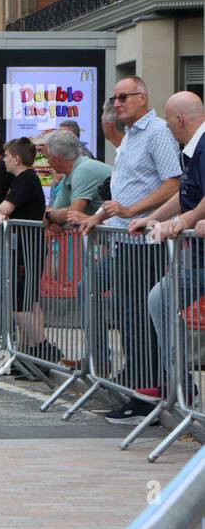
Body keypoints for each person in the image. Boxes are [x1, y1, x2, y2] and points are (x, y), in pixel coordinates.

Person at [76, 83, 180, 420]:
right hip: (125, 239)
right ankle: (143, 387)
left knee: (138, 316)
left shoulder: (157, 132)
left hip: (146, 242)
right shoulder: (132, 136)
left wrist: (135, 211)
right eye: (114, 98)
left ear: (143, 98)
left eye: (123, 97)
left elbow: (172, 184)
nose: (117, 103)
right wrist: (98, 216)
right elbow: (123, 192)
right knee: (128, 315)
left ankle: (148, 393)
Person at [132, 93, 205, 422]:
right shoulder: (191, 151)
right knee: (161, 298)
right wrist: (155, 219)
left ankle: (179, 384)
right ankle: (178, 383)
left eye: (167, 118)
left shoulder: (202, 147)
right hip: (199, 257)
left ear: (179, 120)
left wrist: (184, 222)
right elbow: (185, 193)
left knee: (161, 297)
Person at [0, 137, 66, 372]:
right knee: (28, 300)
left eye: (6, 156)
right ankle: (27, 355)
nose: (3, 161)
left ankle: (44, 348)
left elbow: (3, 210)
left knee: (19, 303)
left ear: (16, 158)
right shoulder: (25, 179)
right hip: (27, 246)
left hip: (26, 248)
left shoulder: (25, 179)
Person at [43, 130, 110, 227]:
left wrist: (50, 215)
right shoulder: (70, 173)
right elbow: (54, 214)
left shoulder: (83, 170)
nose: (47, 161)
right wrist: (53, 218)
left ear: (57, 158)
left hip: (126, 236)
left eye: (47, 157)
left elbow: (73, 214)